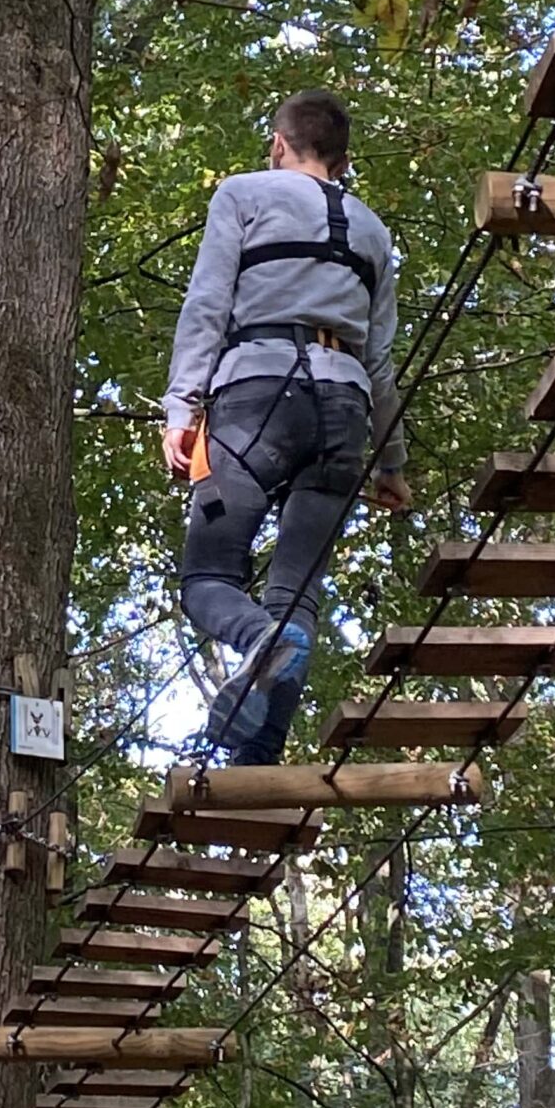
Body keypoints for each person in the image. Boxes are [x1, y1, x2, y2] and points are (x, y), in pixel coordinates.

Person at [162, 90, 412, 765]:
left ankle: (255, 643)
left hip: (254, 395)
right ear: (344, 161)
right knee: (296, 592)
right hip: (344, 411)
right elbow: (382, 358)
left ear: (278, 144)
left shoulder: (243, 194)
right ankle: (259, 756)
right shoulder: (373, 231)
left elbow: (209, 304)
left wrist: (181, 409)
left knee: (207, 576)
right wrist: (390, 462)